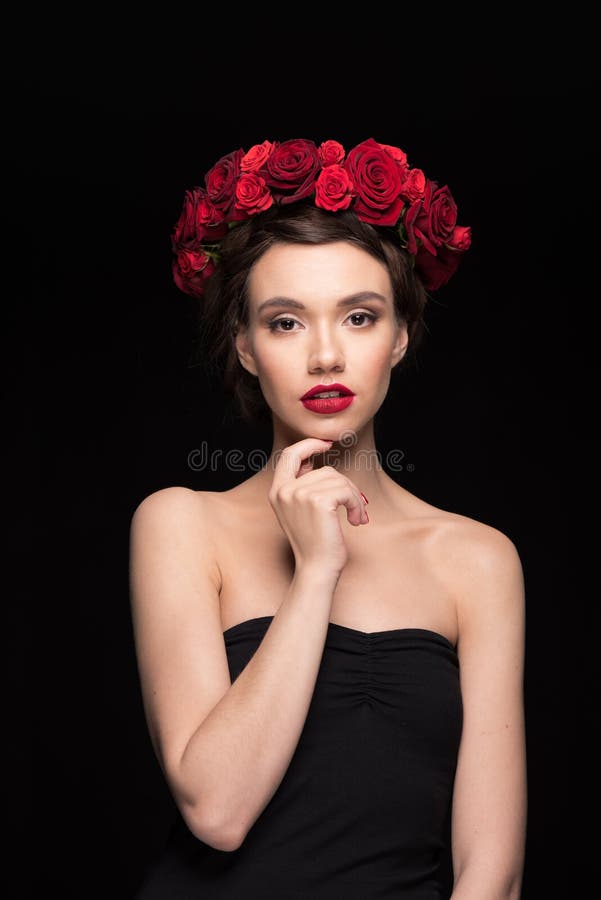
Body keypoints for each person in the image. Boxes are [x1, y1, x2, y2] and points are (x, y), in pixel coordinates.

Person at [128, 137, 527, 899]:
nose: (323, 356)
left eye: (358, 317)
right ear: (244, 347)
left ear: (399, 338)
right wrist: (316, 570)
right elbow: (217, 810)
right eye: (284, 323)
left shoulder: (477, 560)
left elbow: (492, 874)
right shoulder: (181, 525)